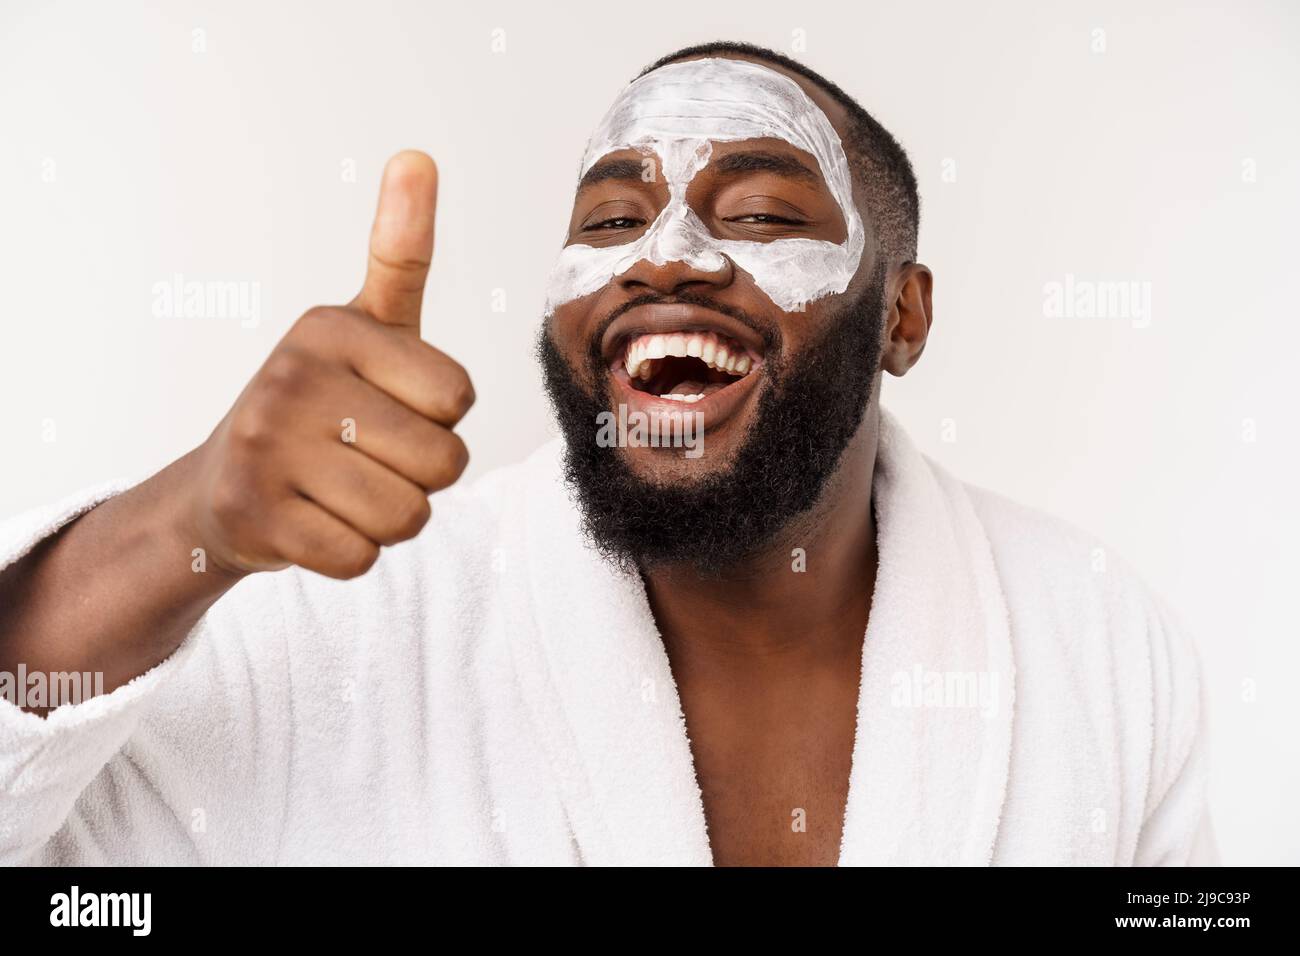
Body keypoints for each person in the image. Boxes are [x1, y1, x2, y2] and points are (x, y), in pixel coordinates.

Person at [0, 41, 1215, 866]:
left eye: (756, 213)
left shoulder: (1096, 643)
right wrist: (180, 532)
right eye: (611, 219)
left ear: (901, 315)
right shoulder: (344, 628)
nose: (665, 256)